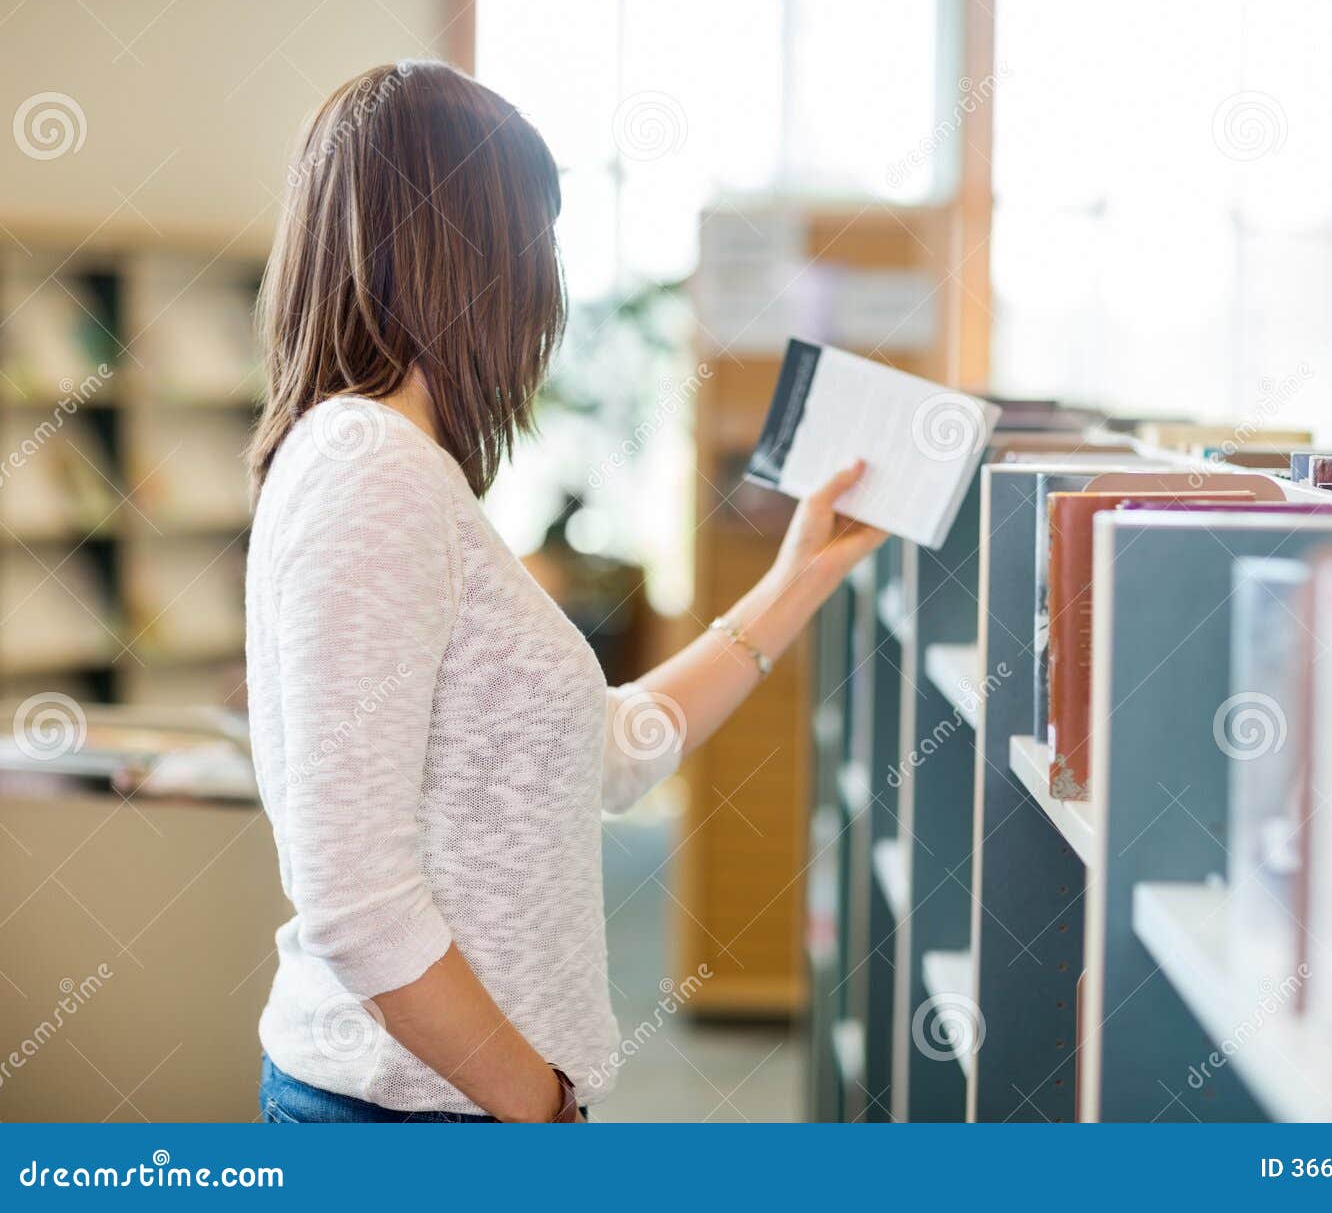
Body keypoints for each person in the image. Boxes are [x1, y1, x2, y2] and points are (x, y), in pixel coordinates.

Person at [246, 61, 886, 1124]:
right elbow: (354, 902)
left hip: (446, 1110)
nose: (548, 281)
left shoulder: (396, 467)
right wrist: (537, 1111)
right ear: (473, 251)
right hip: (419, 1115)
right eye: (536, 235)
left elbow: (611, 750)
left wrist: (795, 580)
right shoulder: (371, 473)